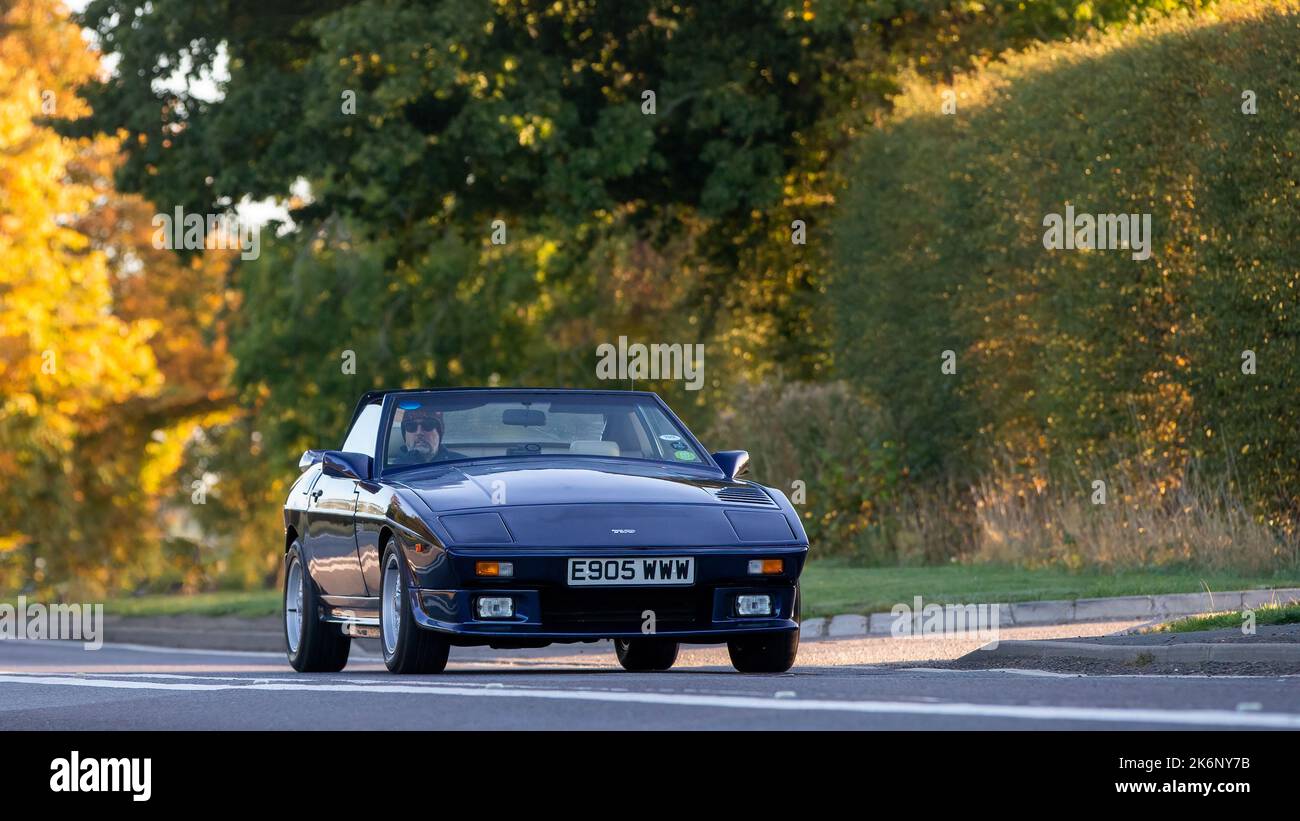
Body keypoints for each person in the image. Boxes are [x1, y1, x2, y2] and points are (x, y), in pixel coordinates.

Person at [393, 406, 465, 464]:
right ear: (405, 435)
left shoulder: (462, 464)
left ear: (439, 434)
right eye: (411, 426)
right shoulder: (391, 471)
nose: (419, 432)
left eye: (428, 425)